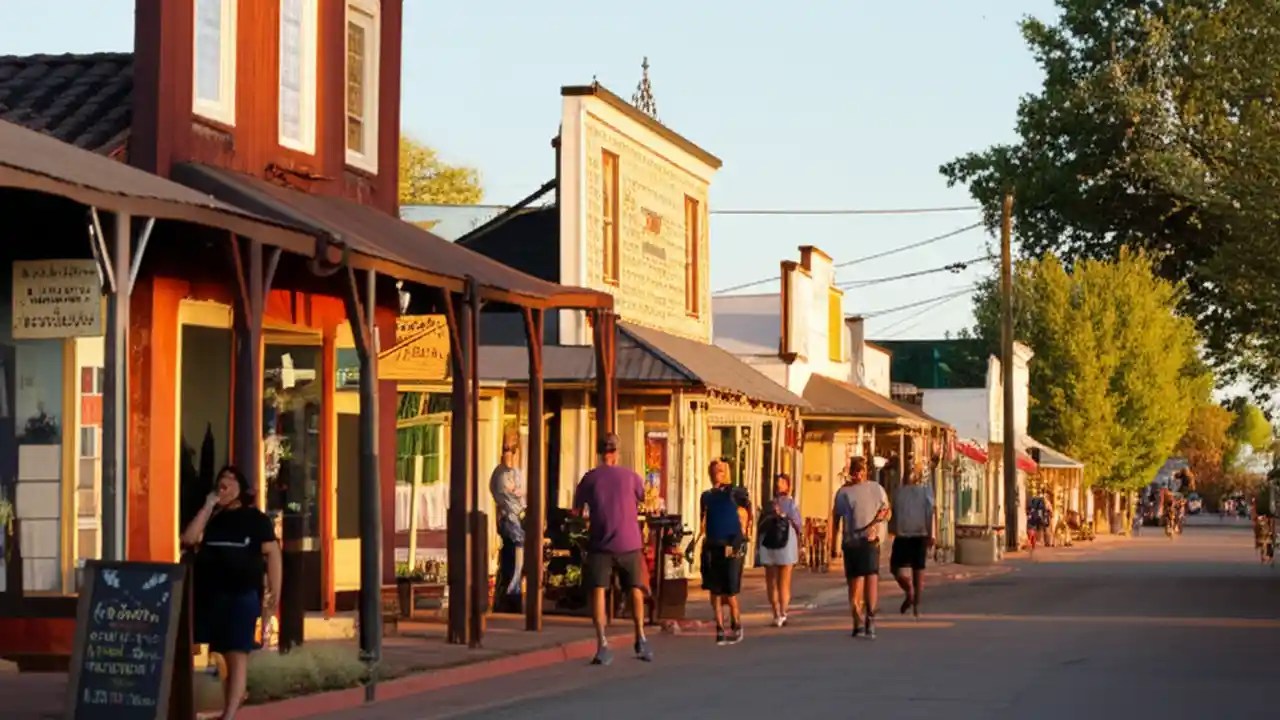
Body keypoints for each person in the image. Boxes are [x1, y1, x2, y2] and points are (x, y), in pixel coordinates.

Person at [182, 466, 282, 720]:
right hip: (212, 597)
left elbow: (273, 556)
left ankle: (229, 714)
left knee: (237, 654)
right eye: (220, 480)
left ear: (241, 487)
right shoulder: (213, 518)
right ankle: (232, 703)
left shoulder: (256, 519)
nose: (224, 483)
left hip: (243, 595)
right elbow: (189, 539)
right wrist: (208, 505)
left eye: (231, 479)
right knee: (222, 655)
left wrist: (274, 594)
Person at [572, 432, 652, 665]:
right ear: (616, 453)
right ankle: (641, 636)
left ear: (599, 453)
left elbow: (576, 512)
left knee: (598, 590)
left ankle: (603, 644)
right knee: (635, 589)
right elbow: (643, 499)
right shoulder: (631, 477)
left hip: (600, 543)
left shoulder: (589, 479)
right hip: (629, 542)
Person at [830, 456, 890, 639]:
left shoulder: (876, 489)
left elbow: (887, 510)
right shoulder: (843, 493)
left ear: (866, 471)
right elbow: (836, 518)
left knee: (871, 576)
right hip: (851, 541)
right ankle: (857, 620)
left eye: (861, 470)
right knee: (854, 582)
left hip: (870, 540)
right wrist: (833, 545)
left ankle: (871, 616)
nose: (858, 474)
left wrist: (879, 520)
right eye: (855, 471)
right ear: (850, 473)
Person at [698, 459, 752, 644]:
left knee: (730, 590)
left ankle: (736, 624)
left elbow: (747, 513)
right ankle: (719, 628)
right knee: (715, 590)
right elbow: (703, 521)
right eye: (714, 471)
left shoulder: (735, 493)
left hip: (731, 545)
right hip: (713, 544)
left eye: (721, 470)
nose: (717, 474)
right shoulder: (706, 496)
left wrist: (743, 535)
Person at [890, 465, 935, 617]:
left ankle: (913, 599)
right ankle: (912, 596)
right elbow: (894, 512)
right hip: (910, 535)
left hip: (912, 534)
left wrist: (931, 534)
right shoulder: (902, 492)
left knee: (911, 570)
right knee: (905, 569)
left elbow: (930, 513)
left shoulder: (917, 492)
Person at [758, 473, 802, 627]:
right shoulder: (790, 505)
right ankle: (781, 612)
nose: (779, 485)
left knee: (775, 580)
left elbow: (761, 525)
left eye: (782, 482)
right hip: (785, 542)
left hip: (770, 542)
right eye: (778, 482)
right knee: (781, 581)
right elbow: (798, 524)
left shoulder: (770, 505)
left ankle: (779, 612)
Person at [489, 436, 526, 613]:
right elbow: (509, 498)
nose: (508, 453)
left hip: (518, 523)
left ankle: (512, 593)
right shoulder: (501, 475)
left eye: (511, 449)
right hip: (510, 523)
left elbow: (521, 495)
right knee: (513, 558)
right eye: (506, 449)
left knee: (513, 560)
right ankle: (511, 594)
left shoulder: (517, 473)